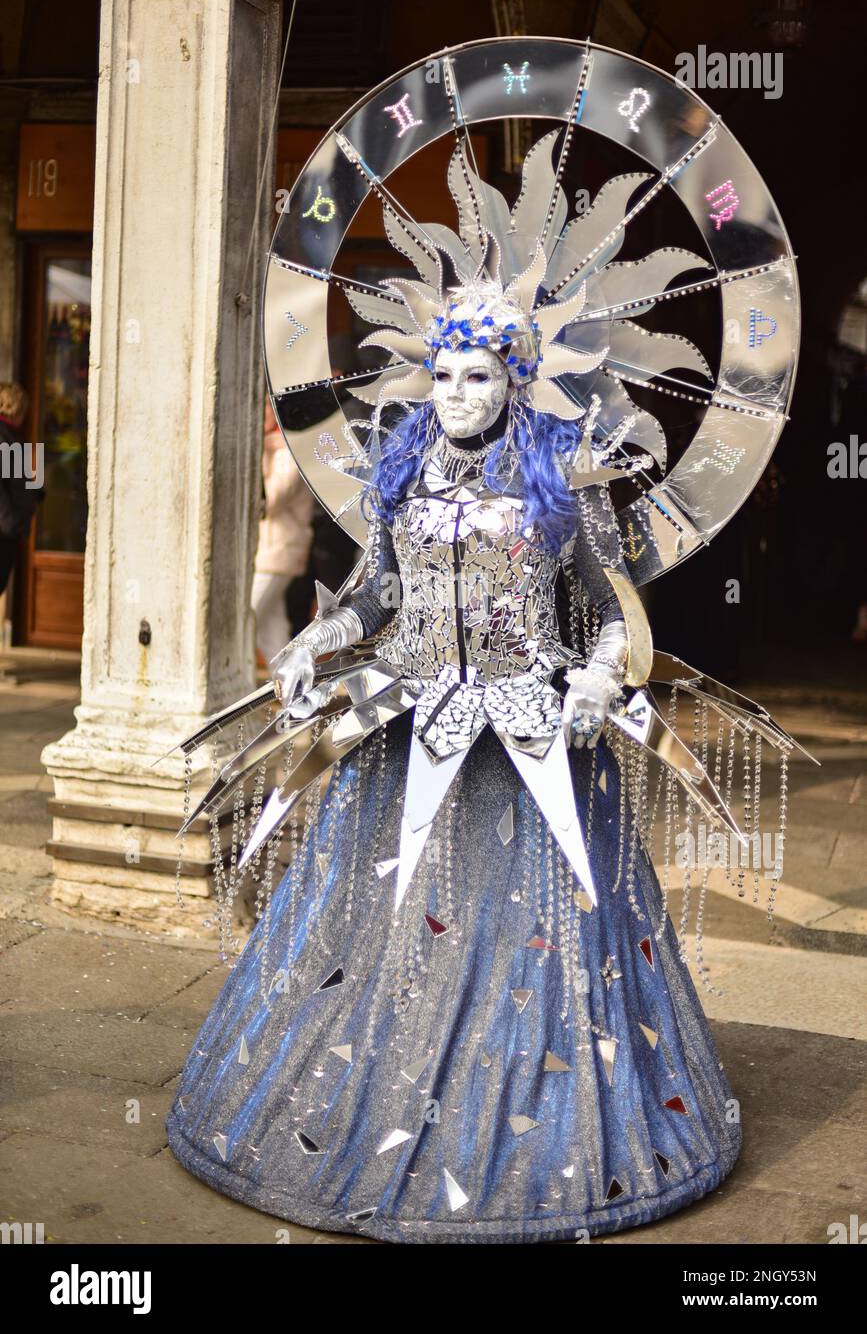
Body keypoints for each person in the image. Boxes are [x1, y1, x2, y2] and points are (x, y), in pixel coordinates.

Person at [165, 132, 798, 1243]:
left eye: (479, 374)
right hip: (404, 733)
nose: (455, 393)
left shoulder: (569, 490)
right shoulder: (401, 481)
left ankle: (539, 1144)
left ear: (517, 378)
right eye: (442, 373)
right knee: (384, 939)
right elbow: (370, 600)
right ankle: (355, 1124)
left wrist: (602, 680)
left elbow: (611, 619)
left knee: (541, 962)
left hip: (536, 735)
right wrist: (321, 644)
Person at [251, 408, 314, 661]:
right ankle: (291, 685)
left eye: (264, 410)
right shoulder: (268, 448)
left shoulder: (288, 452)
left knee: (245, 617)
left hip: (281, 551)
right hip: (264, 551)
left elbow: (269, 500)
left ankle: (242, 688)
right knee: (271, 628)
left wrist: (259, 454)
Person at [0, 383, 38, 600]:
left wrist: (37, 490)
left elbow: (30, 483)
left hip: (12, 531)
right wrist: (10, 523)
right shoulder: (5, 437)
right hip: (6, 530)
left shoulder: (17, 438)